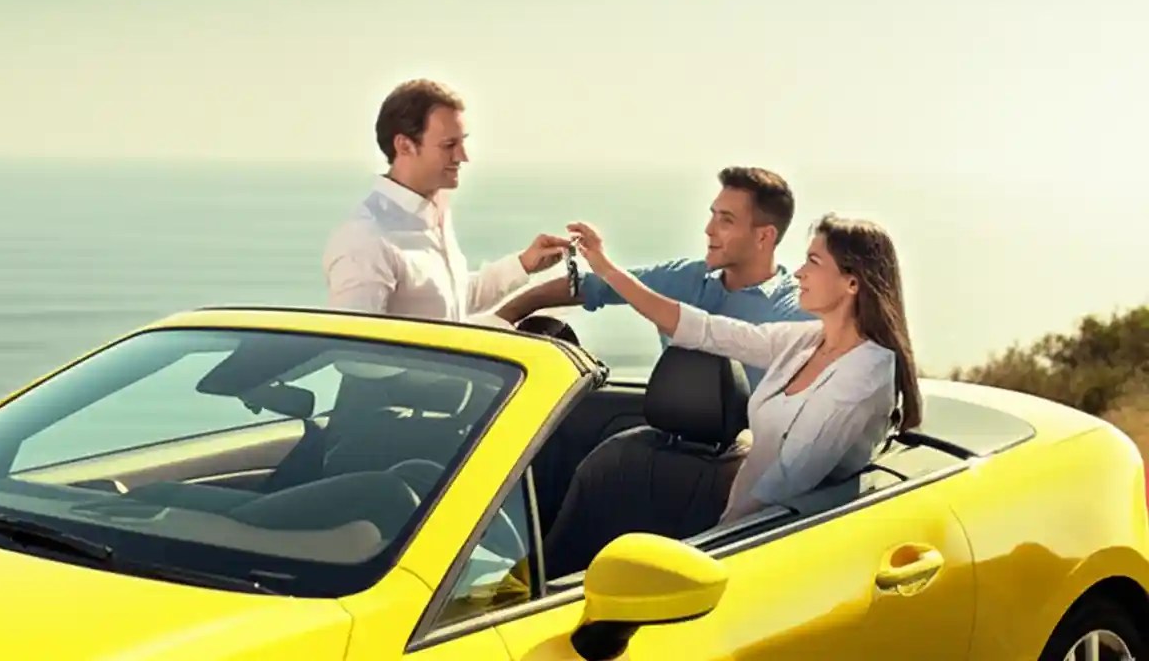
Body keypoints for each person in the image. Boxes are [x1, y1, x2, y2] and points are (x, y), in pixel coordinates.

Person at [566, 212, 922, 521]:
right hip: (743, 521)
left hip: (774, 537)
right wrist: (605, 268)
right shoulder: (805, 340)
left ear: (852, 282)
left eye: (813, 261)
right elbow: (702, 329)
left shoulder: (867, 373)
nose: (798, 272)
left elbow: (787, 480)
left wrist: (717, 538)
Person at [496, 166, 813, 391]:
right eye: (712, 214)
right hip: (670, 447)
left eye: (726, 220)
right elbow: (587, 287)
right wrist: (500, 320)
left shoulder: (794, 310)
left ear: (764, 237)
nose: (709, 229)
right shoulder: (686, 278)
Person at [322, 78, 571, 322]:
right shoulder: (365, 238)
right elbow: (356, 355)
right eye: (449, 145)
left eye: (462, 142)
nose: (463, 156)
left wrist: (524, 264)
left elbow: (453, 300)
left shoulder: (435, 212)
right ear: (404, 146)